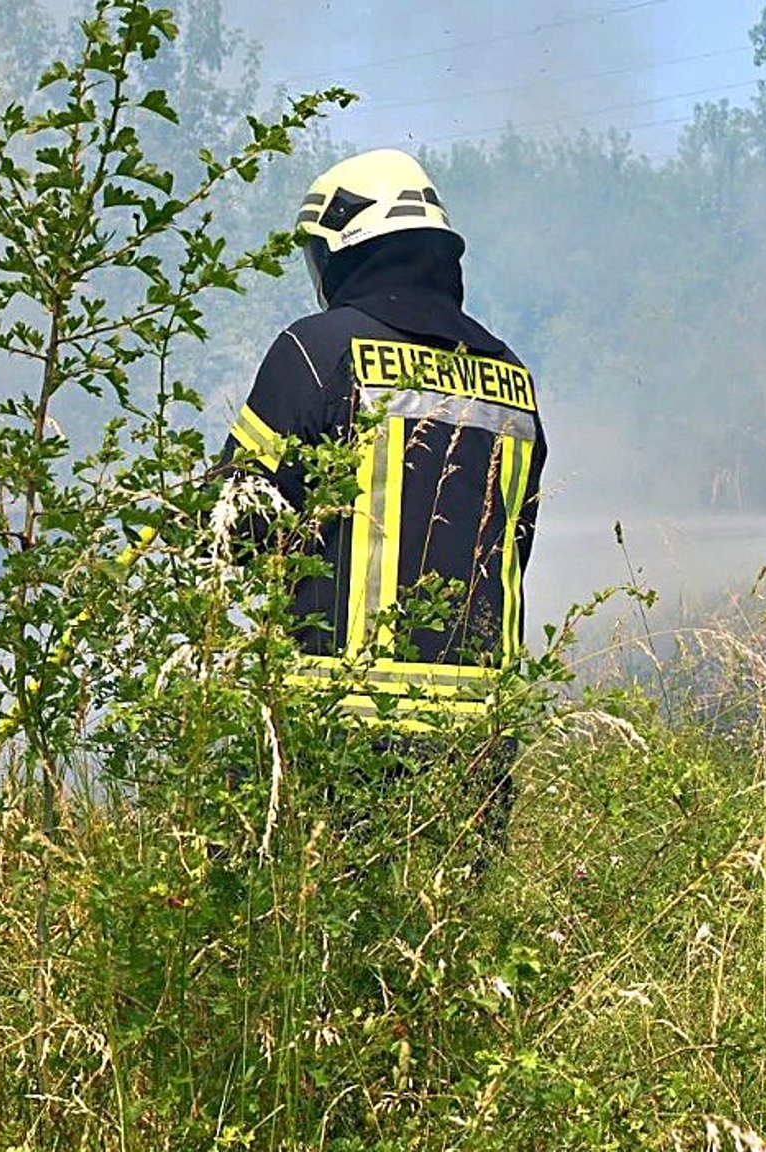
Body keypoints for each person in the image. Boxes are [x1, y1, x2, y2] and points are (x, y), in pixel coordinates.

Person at [220, 148, 545, 854]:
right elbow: (513, 544)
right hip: (477, 741)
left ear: (343, 251)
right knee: (449, 917)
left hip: (336, 725)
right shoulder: (513, 379)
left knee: (300, 917)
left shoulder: (317, 349)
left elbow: (233, 526)